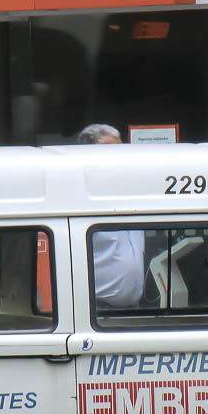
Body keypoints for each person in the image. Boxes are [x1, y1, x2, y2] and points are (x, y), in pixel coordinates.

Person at [78, 123, 146, 307]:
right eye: (112, 153)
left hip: (133, 306)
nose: (119, 159)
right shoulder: (81, 197)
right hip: (95, 309)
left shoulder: (129, 191)